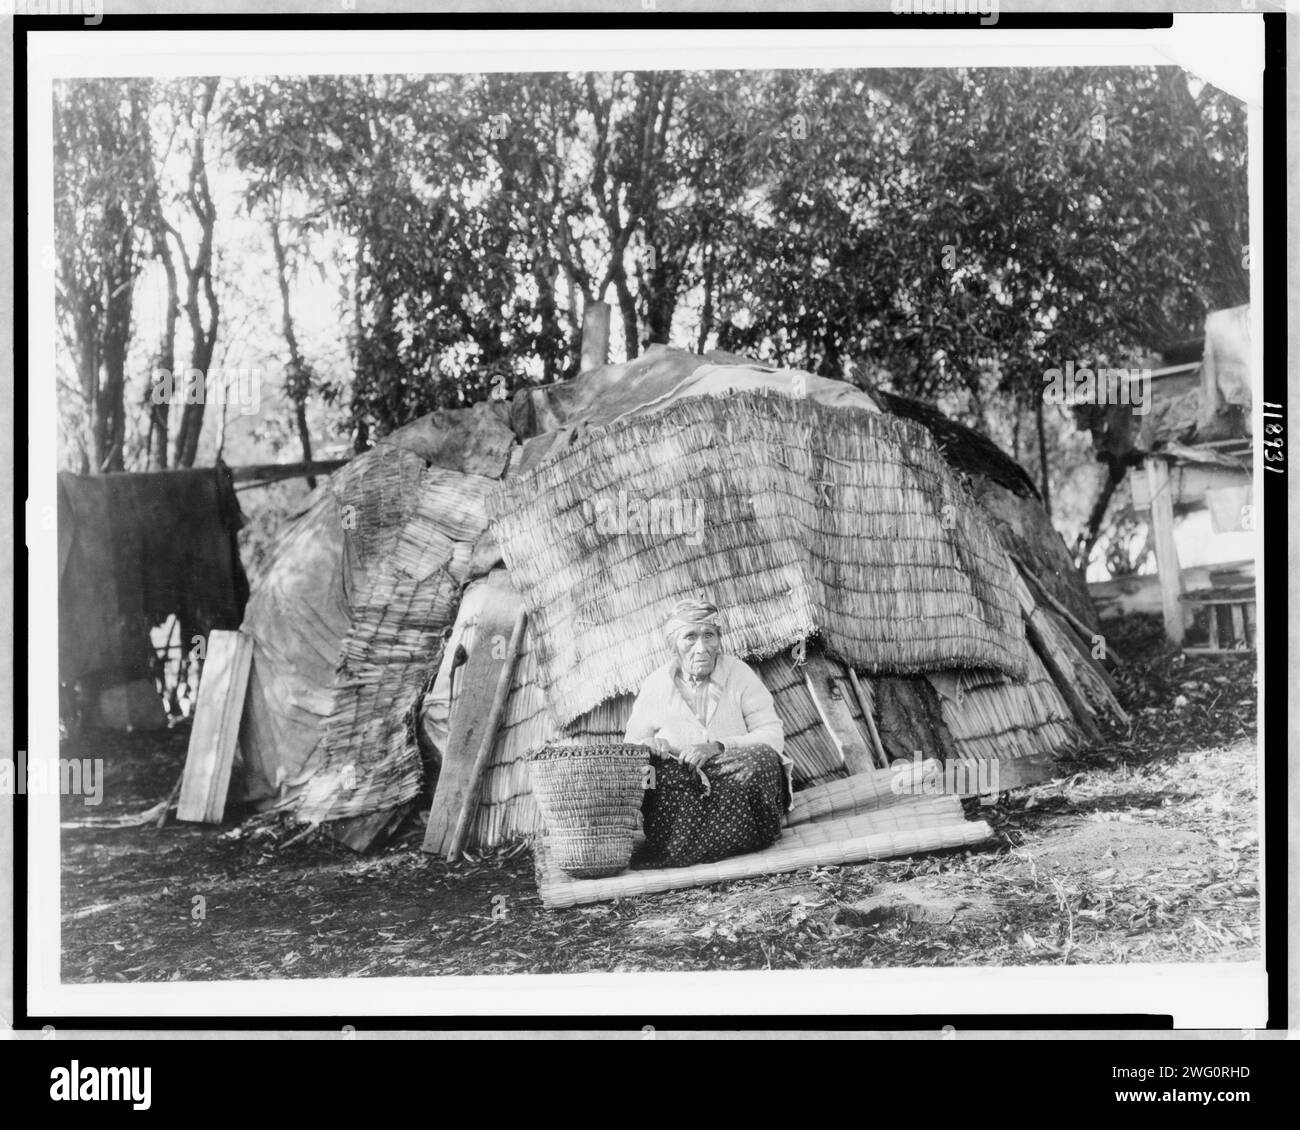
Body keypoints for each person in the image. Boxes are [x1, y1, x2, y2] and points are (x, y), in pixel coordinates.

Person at [623, 598, 791, 867]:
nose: (701, 647)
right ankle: (717, 843)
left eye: (709, 636)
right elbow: (629, 749)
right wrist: (650, 745)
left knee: (762, 758)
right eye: (690, 637)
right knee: (650, 773)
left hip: (733, 783)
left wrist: (717, 747)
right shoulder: (655, 685)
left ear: (719, 640)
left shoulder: (738, 673)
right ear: (673, 645)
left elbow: (772, 734)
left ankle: (690, 848)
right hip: (682, 791)